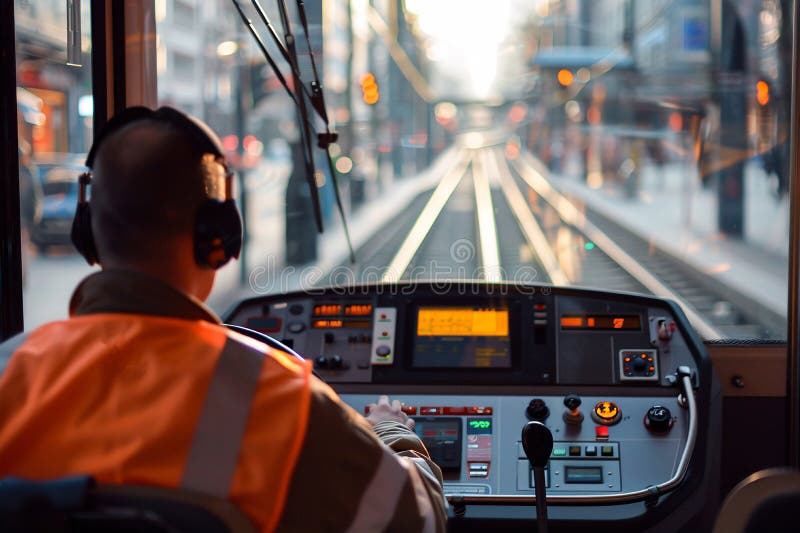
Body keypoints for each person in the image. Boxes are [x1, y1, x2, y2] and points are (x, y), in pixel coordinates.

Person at [0, 107, 446, 532]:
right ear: (216, 237)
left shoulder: (9, 370)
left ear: (89, 232)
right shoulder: (279, 400)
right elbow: (419, 520)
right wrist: (391, 430)